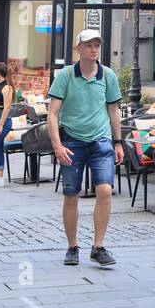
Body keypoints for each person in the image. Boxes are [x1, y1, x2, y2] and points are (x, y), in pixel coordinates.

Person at [47, 29, 123, 268]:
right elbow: (52, 113)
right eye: (89, 45)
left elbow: (113, 110)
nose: (94, 49)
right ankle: (72, 246)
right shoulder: (66, 76)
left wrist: (118, 141)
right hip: (71, 142)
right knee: (71, 195)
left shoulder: (108, 76)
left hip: (100, 141)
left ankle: (98, 246)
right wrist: (57, 145)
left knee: (105, 191)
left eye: (97, 45)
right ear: (78, 48)